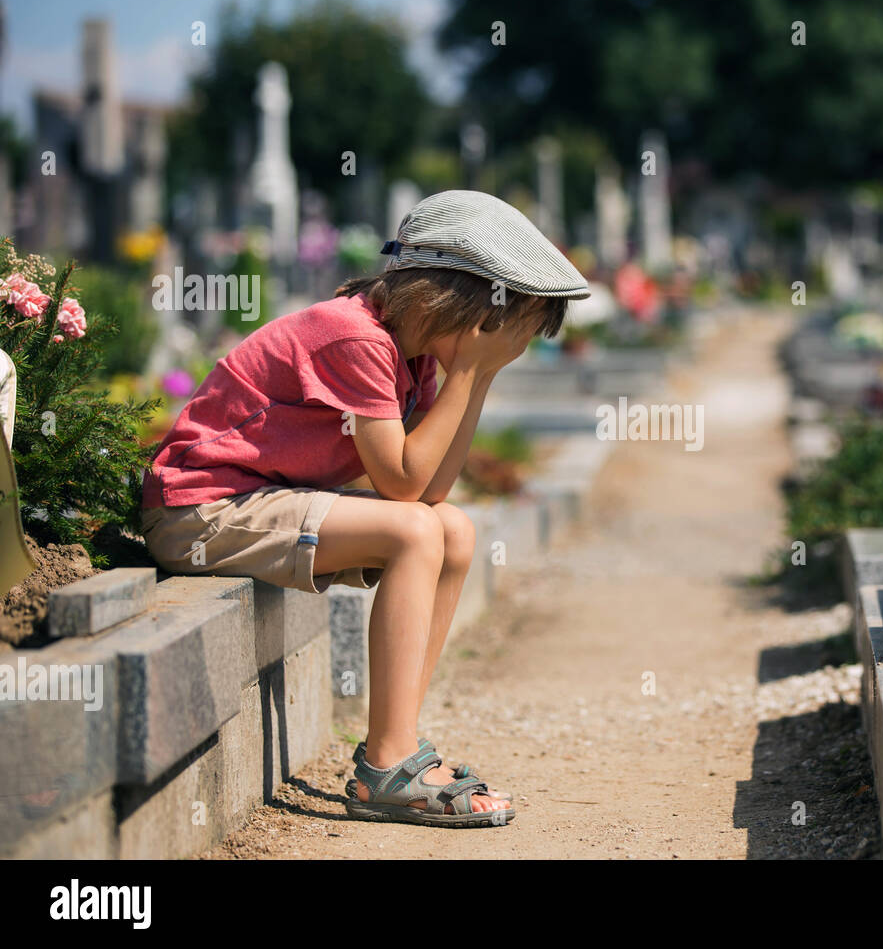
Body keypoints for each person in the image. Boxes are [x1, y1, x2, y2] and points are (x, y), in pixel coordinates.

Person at [141, 190, 589, 827]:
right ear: (450, 295)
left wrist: (477, 375)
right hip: (198, 509)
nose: (506, 344)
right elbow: (403, 488)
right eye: (503, 326)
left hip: (253, 499)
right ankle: (388, 765)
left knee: (454, 532)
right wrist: (467, 375)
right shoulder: (354, 337)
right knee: (413, 532)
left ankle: (400, 743)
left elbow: (433, 494)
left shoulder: (411, 356)